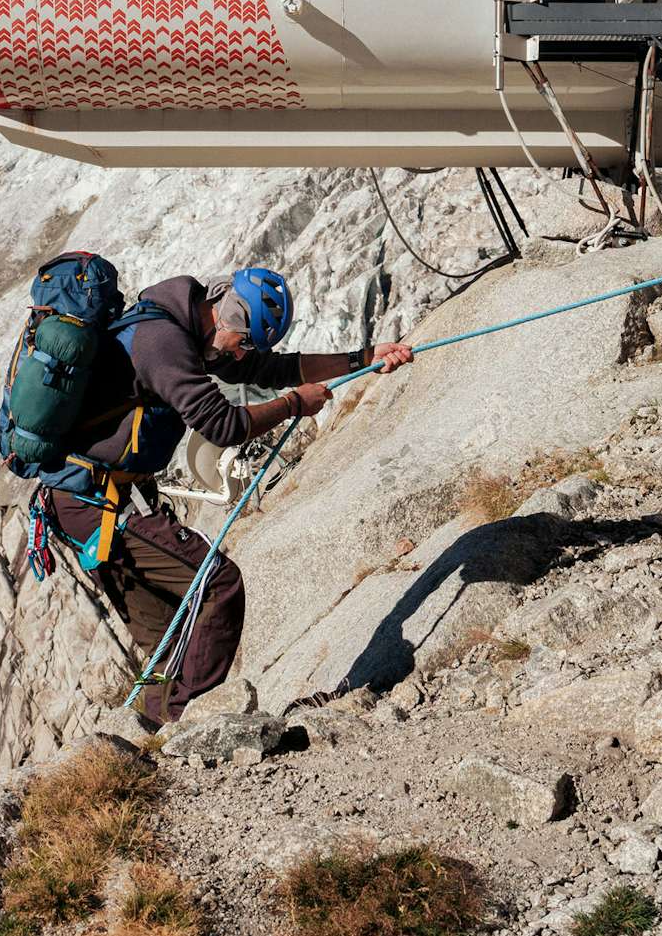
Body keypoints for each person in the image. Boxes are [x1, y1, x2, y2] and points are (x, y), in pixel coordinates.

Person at [49, 266, 412, 722]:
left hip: (102, 499)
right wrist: (294, 405)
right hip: (94, 504)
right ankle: (187, 724)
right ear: (223, 317)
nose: (242, 358)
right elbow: (222, 425)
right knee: (217, 584)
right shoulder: (163, 343)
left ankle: (160, 732)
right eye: (243, 343)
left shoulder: (195, 329)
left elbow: (276, 368)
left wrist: (363, 358)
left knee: (173, 631)